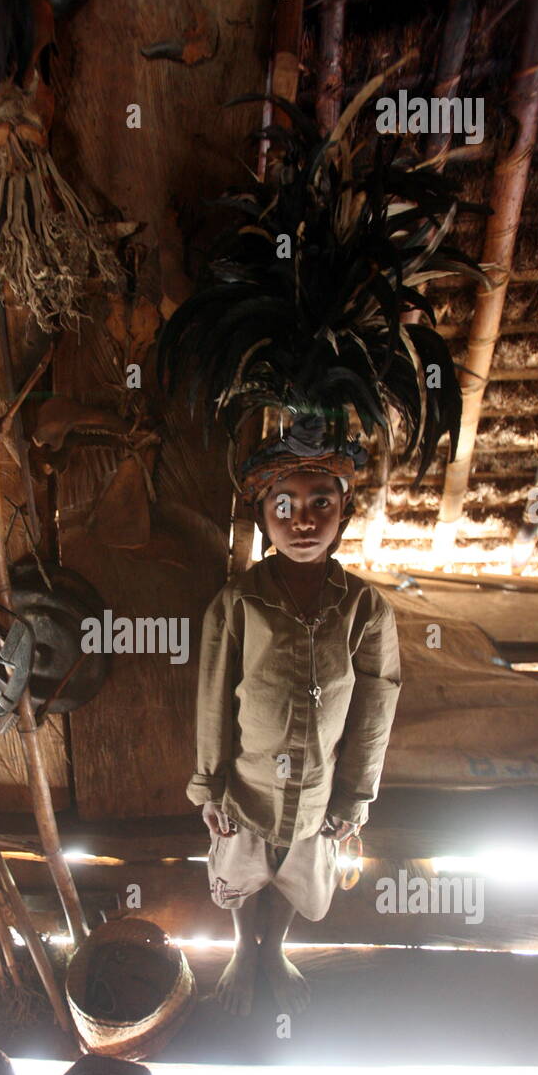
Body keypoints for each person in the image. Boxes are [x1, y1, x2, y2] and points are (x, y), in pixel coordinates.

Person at [186, 415, 402, 1017]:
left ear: (344, 512)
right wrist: (209, 784)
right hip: (246, 786)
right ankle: (241, 949)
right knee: (242, 874)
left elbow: (375, 705)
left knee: (293, 876)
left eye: (319, 502)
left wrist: (354, 798)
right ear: (262, 518)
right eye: (283, 504)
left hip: (318, 791)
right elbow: (212, 697)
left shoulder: (366, 609)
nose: (302, 519)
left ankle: (272, 950)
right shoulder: (238, 604)